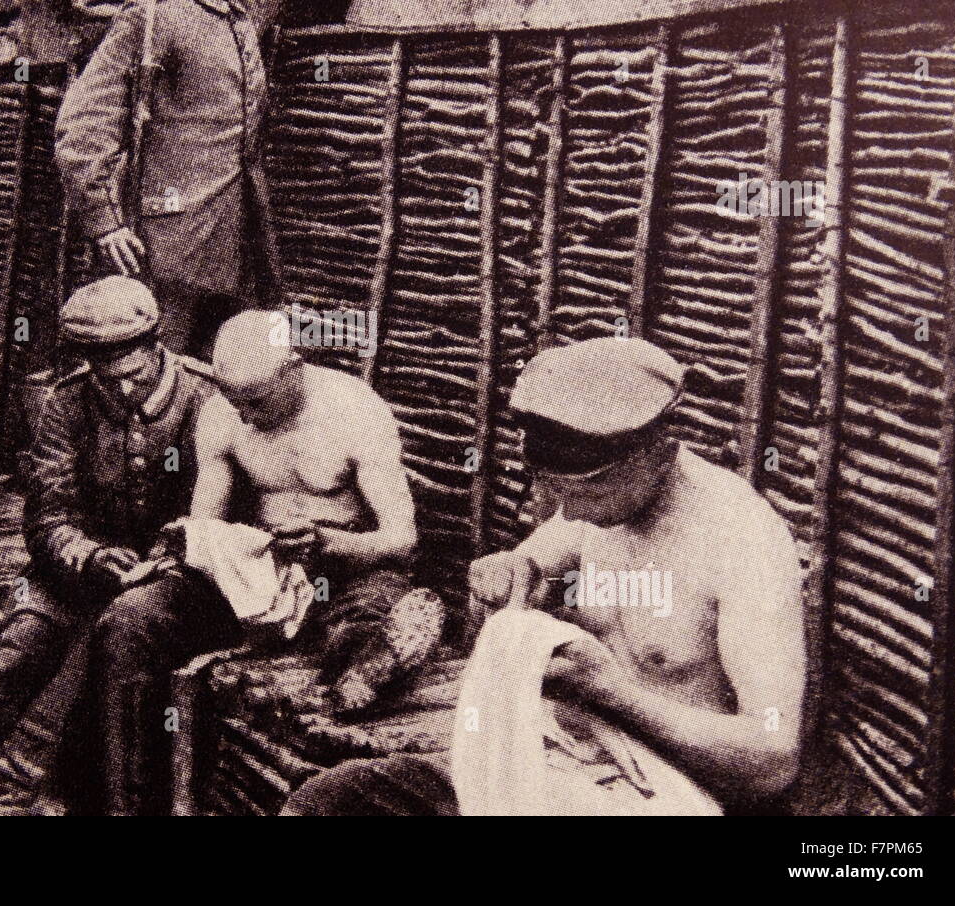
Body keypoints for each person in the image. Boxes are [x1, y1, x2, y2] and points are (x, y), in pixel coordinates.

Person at [283, 336, 807, 815]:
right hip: (564, 753)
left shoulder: (741, 542)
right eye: (557, 493)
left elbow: (773, 759)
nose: (569, 515)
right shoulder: (605, 500)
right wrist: (509, 569)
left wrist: (612, 692)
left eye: (585, 495)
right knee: (331, 802)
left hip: (668, 792)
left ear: (660, 452)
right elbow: (530, 561)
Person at [78, 309, 445, 815]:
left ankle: (373, 652)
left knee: (361, 618)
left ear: (294, 368)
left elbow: (402, 540)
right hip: (262, 570)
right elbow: (207, 520)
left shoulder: (353, 410)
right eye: (234, 400)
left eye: (256, 402)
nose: (245, 416)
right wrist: (182, 548)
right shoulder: (224, 415)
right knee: (131, 619)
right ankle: (128, 804)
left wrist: (327, 542)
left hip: (346, 568)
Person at [55, 0, 381, 359]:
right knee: (158, 369)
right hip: (172, 244)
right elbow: (82, 126)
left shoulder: (234, 6)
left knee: (234, 365)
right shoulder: (153, 17)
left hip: (236, 234)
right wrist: (105, 220)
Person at [0, 276, 215, 815]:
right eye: (108, 380)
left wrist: (166, 560)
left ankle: (87, 799)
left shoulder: (204, 398)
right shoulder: (66, 405)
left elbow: (219, 513)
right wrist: (88, 556)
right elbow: (48, 517)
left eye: (134, 377)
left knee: (122, 662)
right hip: (78, 575)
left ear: (157, 346)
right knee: (10, 661)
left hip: (173, 576)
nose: (123, 392)